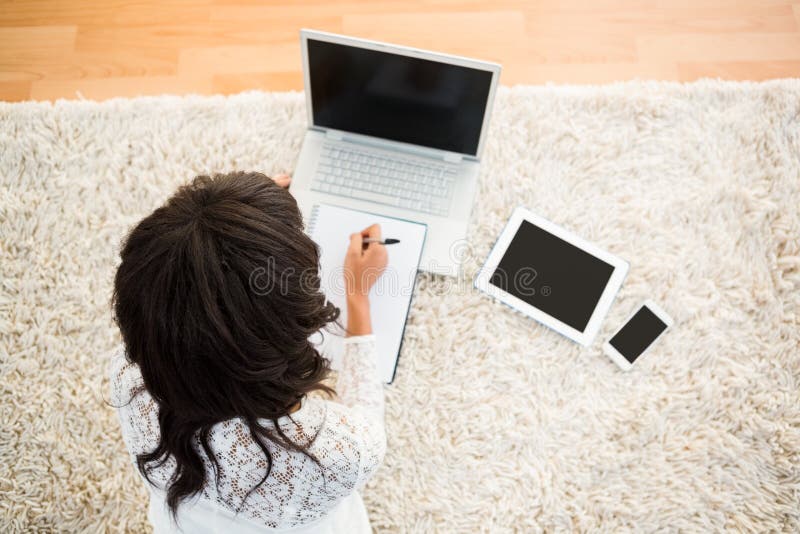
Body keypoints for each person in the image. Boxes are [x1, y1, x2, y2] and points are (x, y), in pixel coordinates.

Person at [109, 171, 388, 533]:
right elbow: (368, 416)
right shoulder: (333, 455)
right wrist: (358, 296)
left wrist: (234, 222)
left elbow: (188, 291)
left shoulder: (128, 379)